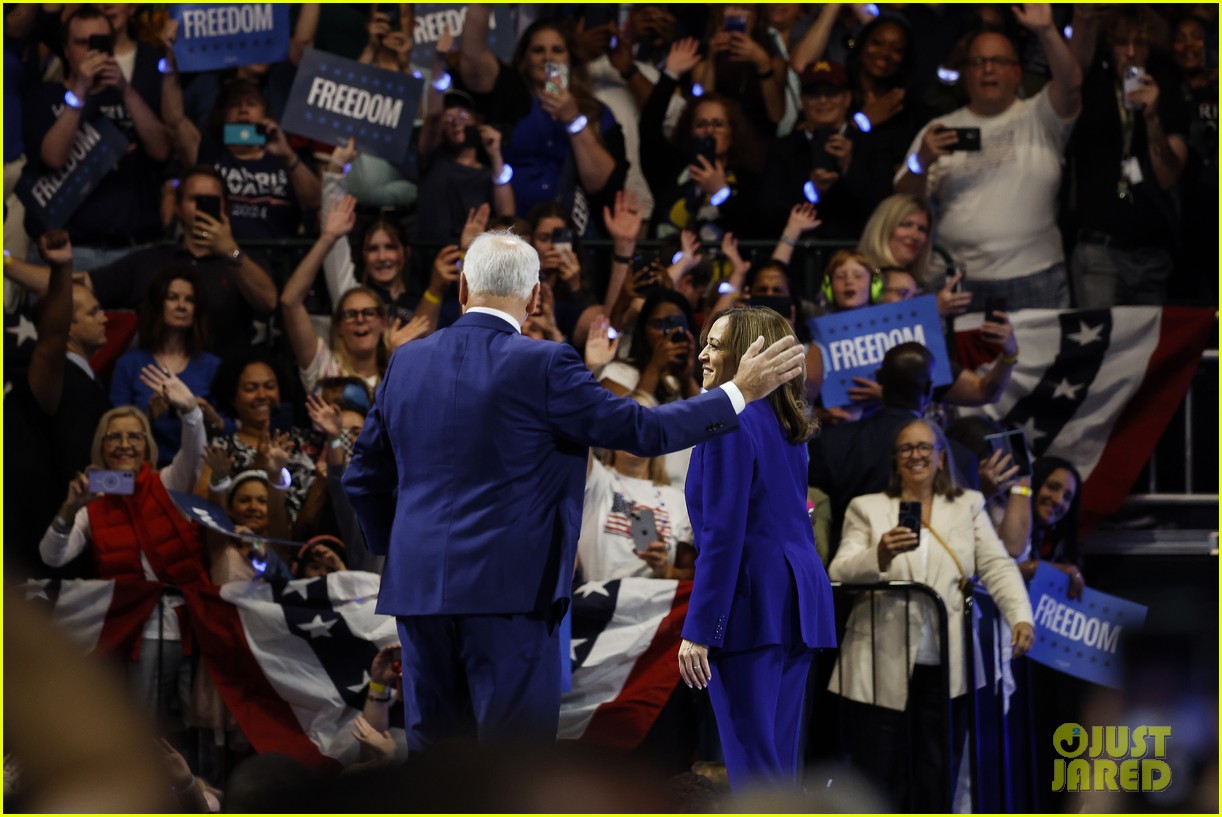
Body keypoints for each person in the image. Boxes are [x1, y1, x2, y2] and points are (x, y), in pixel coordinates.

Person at [342, 229, 805, 752]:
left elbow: (361, 476)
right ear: (535, 296)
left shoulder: (405, 362)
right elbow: (644, 433)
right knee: (512, 771)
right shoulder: (544, 363)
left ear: (463, 288)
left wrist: (404, 546)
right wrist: (737, 393)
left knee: (438, 768)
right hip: (512, 597)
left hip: (419, 592)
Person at [827, 418, 1035, 811]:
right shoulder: (868, 508)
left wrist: (1020, 616)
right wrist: (880, 554)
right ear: (895, 459)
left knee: (937, 770)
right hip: (878, 663)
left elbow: (998, 566)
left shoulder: (968, 504)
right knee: (878, 771)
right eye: (906, 448)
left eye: (925, 447)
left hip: (946, 664)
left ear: (941, 457)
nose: (916, 455)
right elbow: (838, 572)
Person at [676, 306, 836, 790]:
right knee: (777, 768)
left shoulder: (727, 422)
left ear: (750, 354)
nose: (703, 353)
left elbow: (724, 536)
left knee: (754, 771)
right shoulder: (787, 425)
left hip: (752, 607)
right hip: (797, 606)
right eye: (705, 342)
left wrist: (702, 629)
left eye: (716, 345)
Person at [39, 367, 209, 725]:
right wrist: (70, 509)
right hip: (138, 633)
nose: (124, 445)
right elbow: (52, 557)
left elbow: (195, 453)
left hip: (196, 626)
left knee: (198, 728)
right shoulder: (93, 505)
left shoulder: (169, 482)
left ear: (147, 446)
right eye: (114, 437)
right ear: (100, 447)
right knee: (145, 729)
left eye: (134, 437)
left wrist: (190, 411)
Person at [894, 6, 1082, 310]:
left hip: (1037, 276)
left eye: (998, 61)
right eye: (978, 62)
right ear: (966, 73)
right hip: (957, 281)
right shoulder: (939, 129)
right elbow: (902, 202)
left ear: (1016, 71)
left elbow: (1071, 83)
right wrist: (921, 160)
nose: (988, 70)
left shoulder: (1040, 115)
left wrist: (1046, 30)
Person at [808, 342, 980, 559]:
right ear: (928, 389)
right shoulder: (960, 457)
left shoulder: (831, 443)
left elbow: (813, 516)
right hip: (931, 583)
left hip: (847, 579)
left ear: (879, 379)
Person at [1066, 5, 1189, 307]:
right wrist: (1084, 16)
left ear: (1152, 47)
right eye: (1122, 43)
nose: (1131, 52)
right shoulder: (1094, 80)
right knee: (1100, 349)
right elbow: (1071, 69)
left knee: (1149, 354)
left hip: (1152, 253)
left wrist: (1152, 119)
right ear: (1110, 46)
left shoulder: (1166, 87)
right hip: (1099, 249)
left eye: (1140, 43)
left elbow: (1168, 175)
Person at [109, 266, 223, 465]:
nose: (181, 306)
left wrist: (209, 416)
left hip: (198, 468)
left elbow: (227, 429)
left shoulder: (211, 365)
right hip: (144, 469)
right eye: (172, 297)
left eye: (189, 300)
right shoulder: (129, 364)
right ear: (158, 304)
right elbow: (113, 431)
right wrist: (149, 414)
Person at [578, 392, 695, 582]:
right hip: (599, 607)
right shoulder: (595, 480)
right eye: (626, 424)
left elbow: (693, 574)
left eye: (645, 425)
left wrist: (666, 570)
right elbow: (577, 424)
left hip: (655, 607)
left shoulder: (679, 501)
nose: (635, 433)